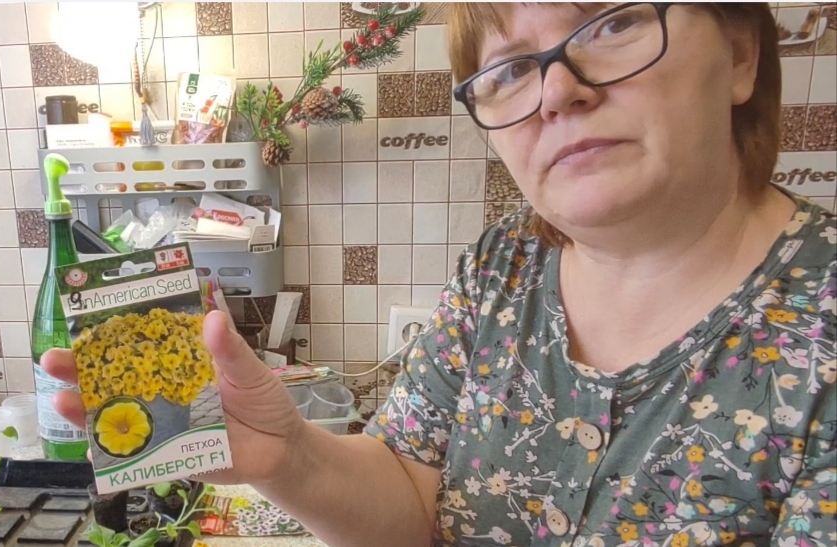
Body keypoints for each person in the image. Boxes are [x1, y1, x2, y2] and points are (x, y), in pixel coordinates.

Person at [42, 3, 836, 546]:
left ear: (740, 53)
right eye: (510, 69)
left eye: (611, 22)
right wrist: (288, 455)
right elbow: (408, 496)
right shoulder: (501, 269)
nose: (557, 90)